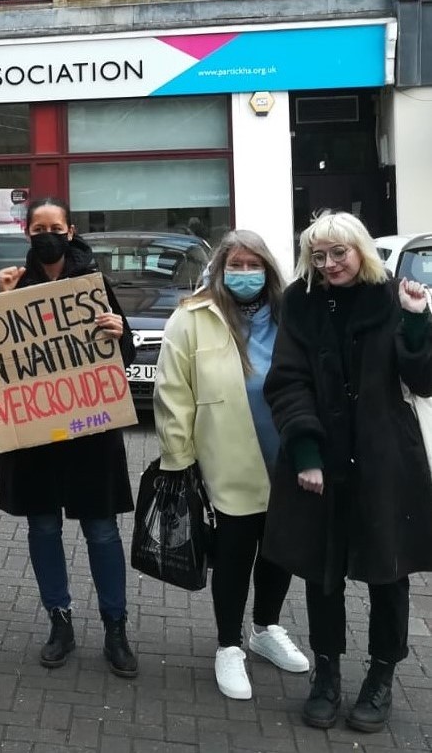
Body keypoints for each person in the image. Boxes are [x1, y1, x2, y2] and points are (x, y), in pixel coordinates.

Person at [264, 211, 432, 733]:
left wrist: (417, 320)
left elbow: (423, 381)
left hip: (385, 460)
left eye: (339, 252)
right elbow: (287, 381)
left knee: (388, 572)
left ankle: (381, 676)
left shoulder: (390, 298)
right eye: (319, 255)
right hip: (322, 462)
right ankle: (327, 675)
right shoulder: (300, 304)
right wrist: (307, 453)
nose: (330, 263)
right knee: (323, 573)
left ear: (360, 250)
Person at [154, 230, 310, 700]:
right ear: (219, 269)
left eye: (253, 264)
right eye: (235, 265)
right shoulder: (192, 317)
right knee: (235, 555)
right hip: (227, 458)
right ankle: (228, 645)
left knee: (280, 551)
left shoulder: (289, 315)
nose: (244, 273)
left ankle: (265, 629)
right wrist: (179, 459)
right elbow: (172, 391)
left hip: (287, 457)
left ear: (268, 267)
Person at [0, 199, 140, 678]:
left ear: (71, 231)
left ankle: (115, 627)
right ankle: (60, 621)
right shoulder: (15, 283)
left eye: (55, 227)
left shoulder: (92, 284)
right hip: (34, 435)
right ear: (27, 231)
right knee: (43, 529)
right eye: (39, 228)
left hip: (89, 434)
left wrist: (122, 331)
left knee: (100, 530)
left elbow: (124, 349)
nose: (47, 235)